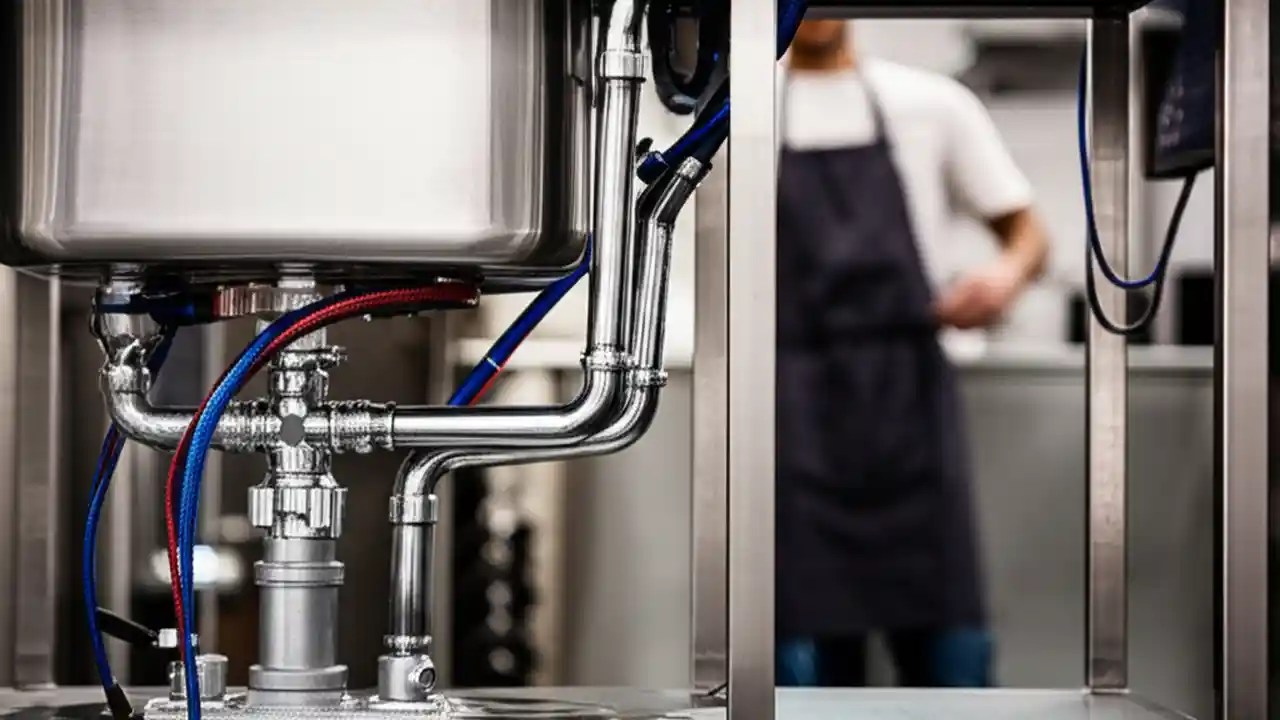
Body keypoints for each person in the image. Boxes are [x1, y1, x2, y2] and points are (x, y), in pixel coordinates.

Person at [775, 19, 1050, 688]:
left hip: (909, 400)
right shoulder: (740, 112)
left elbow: (1027, 231)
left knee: (948, 651)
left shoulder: (930, 103)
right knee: (801, 660)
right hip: (790, 405)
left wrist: (1003, 277)